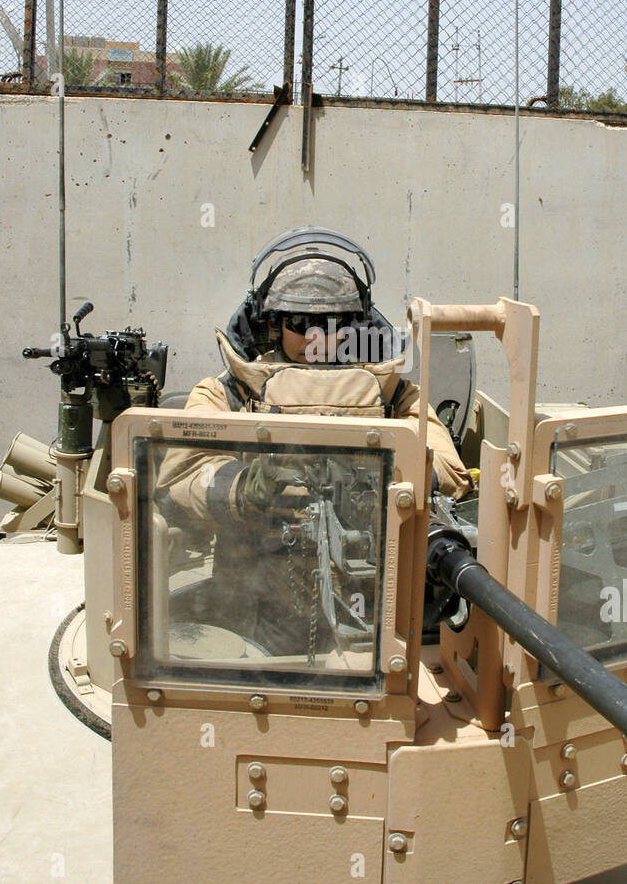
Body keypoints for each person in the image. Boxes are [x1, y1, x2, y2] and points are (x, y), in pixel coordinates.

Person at [156, 229, 472, 661]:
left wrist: (378, 483)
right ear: (272, 324)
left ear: (355, 327)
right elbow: (181, 473)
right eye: (300, 324)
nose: (315, 340)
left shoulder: (393, 395)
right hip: (256, 597)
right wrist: (246, 487)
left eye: (332, 325)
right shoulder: (228, 393)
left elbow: (449, 471)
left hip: (373, 598)